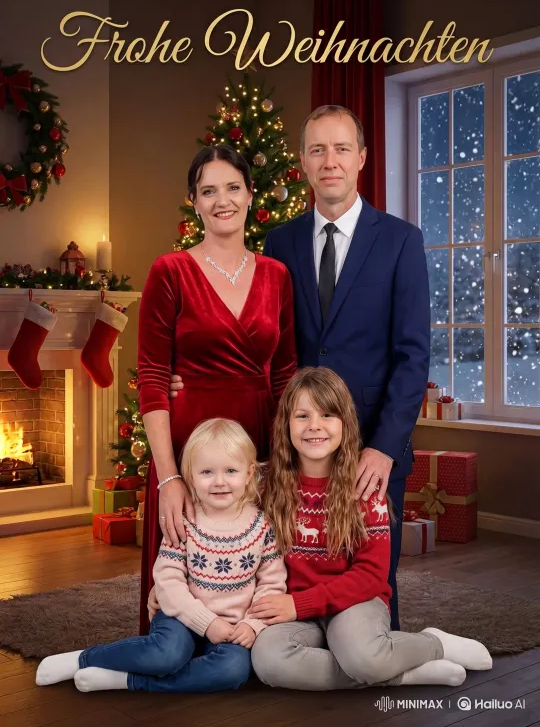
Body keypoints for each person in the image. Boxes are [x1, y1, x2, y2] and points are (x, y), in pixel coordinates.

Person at [170, 105, 430, 631]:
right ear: (304, 163)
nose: (328, 161)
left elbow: (413, 355)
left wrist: (382, 448)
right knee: (288, 575)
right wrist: (188, 373)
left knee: (373, 585)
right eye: (317, 150)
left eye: (340, 149)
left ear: (361, 158)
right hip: (293, 443)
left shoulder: (401, 240)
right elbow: (258, 339)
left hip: (368, 448)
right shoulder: (280, 242)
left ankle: (382, 668)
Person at [249, 367, 492, 690]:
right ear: (285, 424)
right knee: (268, 661)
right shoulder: (265, 484)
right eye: (302, 416)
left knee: (363, 656)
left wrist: (300, 604)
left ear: (345, 424)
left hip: (355, 601)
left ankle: (434, 644)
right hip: (294, 609)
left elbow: (372, 575)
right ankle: (398, 674)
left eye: (327, 415)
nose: (315, 426)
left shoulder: (363, 487)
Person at [137, 145, 297, 633]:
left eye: (232, 187)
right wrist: (169, 478)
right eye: (208, 190)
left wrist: (286, 461)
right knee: (179, 588)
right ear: (194, 201)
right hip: (188, 445)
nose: (222, 200)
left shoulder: (277, 275)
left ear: (250, 195)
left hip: (260, 443)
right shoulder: (171, 271)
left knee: (255, 571)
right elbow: (151, 376)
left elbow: (287, 374)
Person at [36, 418, 287, 693]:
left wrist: (252, 625)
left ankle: (126, 681)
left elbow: (271, 586)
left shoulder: (261, 526)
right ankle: (83, 659)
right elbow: (167, 581)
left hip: (232, 628)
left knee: (233, 670)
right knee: (166, 654)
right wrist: (206, 622)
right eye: (206, 472)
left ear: (249, 473)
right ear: (189, 475)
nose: (219, 482)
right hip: (182, 617)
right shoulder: (185, 520)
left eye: (230, 471)